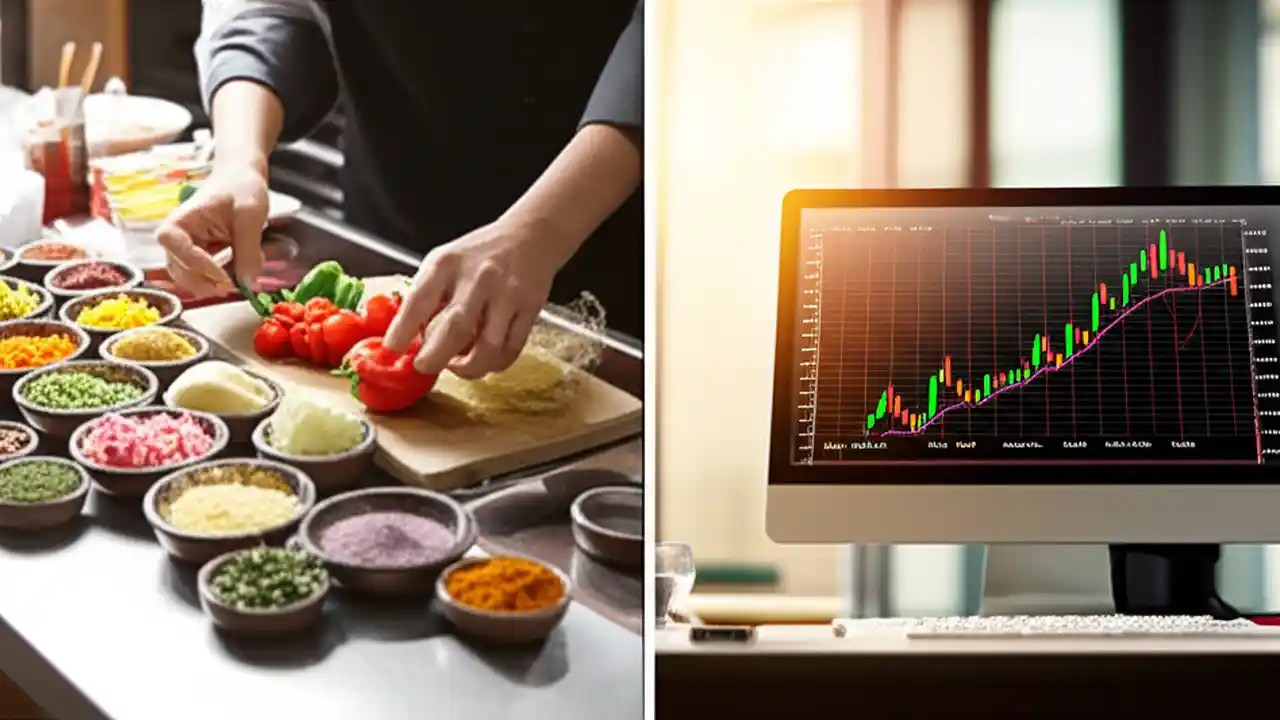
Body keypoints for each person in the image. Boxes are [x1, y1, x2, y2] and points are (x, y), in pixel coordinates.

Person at [159, 2, 642, 378]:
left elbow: (675, 36)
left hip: (612, 234)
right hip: (392, 215)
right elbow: (273, 8)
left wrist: (543, 230)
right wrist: (238, 162)